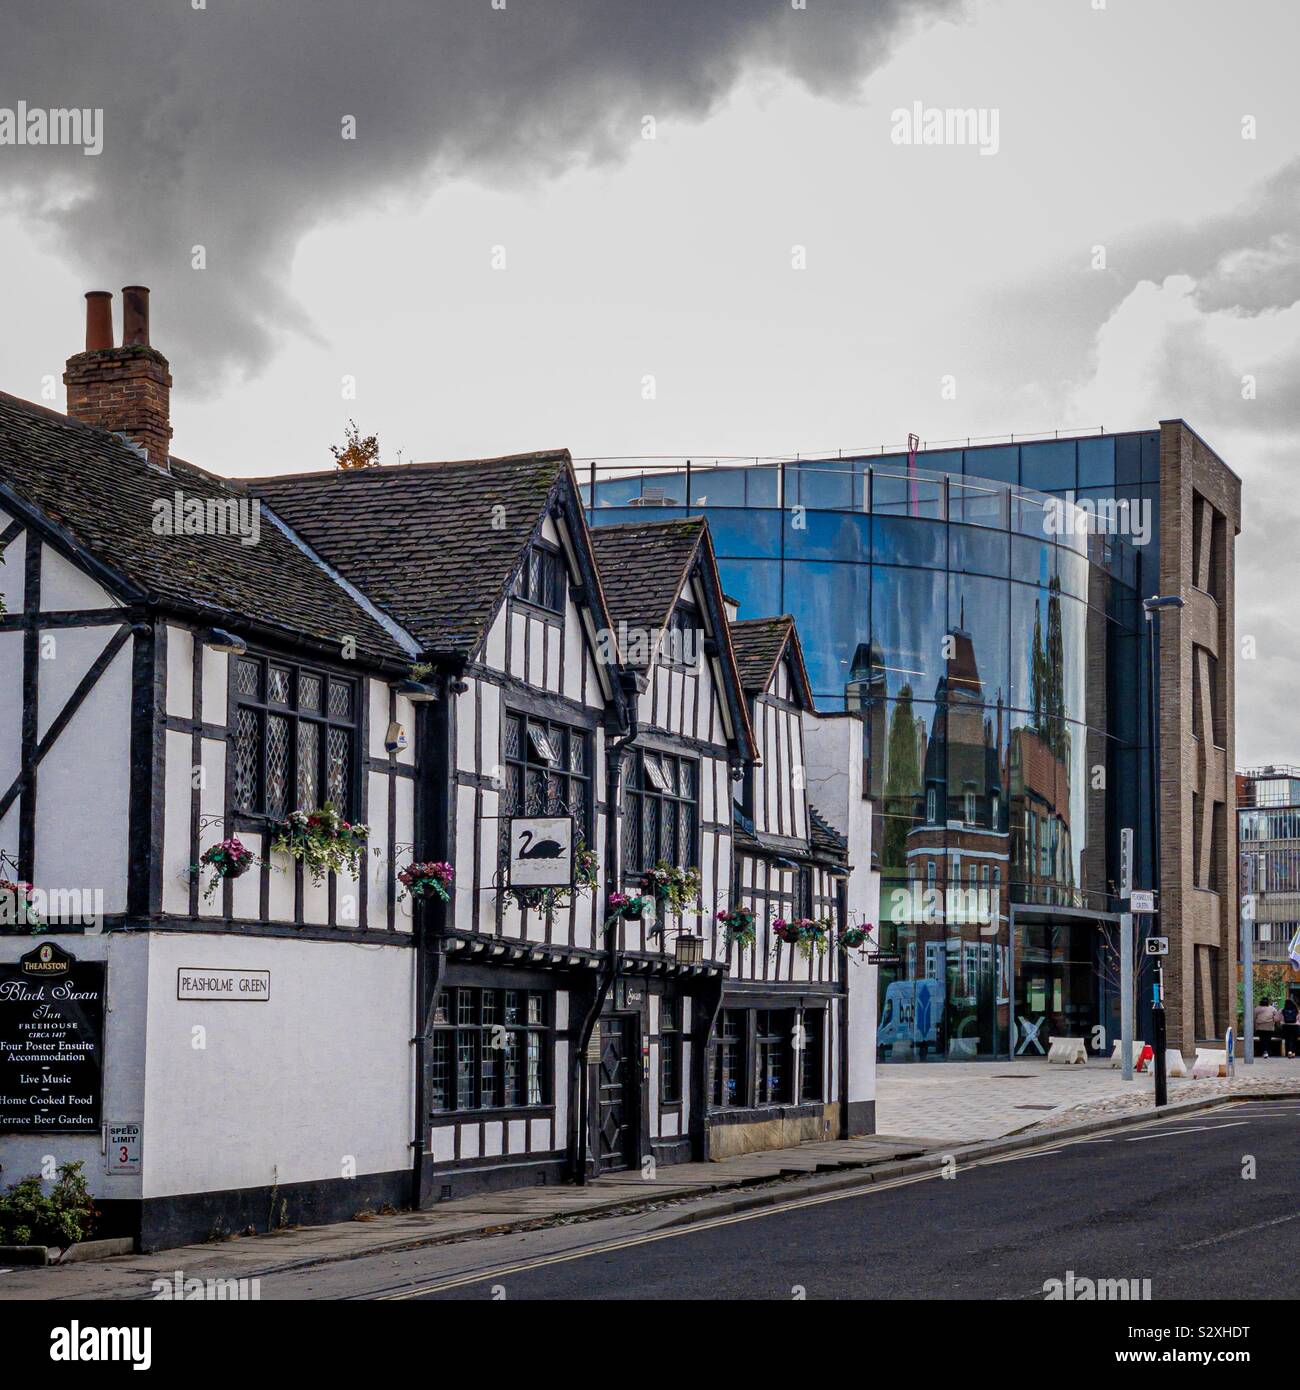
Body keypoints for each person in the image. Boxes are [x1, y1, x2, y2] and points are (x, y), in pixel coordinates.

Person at [1281, 995, 1300, 1059]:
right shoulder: (1297, 1011)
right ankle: (1294, 1053)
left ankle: (1289, 1051)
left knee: (1288, 1039)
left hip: (1286, 1026)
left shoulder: (1282, 1010)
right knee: (1294, 1039)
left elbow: (1276, 1019)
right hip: (1295, 1027)